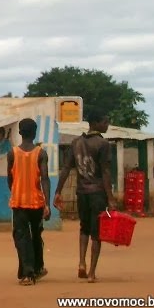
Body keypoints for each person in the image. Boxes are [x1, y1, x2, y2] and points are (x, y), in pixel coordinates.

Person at [53, 108, 116, 283]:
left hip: (81, 193)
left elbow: (66, 168)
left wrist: (58, 191)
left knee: (84, 228)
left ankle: (81, 263)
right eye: (105, 122)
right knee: (97, 233)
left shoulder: (76, 143)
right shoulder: (103, 144)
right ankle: (92, 273)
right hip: (97, 193)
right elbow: (105, 172)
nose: (107, 125)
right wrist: (111, 198)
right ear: (95, 123)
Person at [7, 118, 51, 286]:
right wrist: (47, 204)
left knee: (22, 237)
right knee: (36, 236)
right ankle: (37, 268)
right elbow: (45, 179)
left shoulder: (12, 153)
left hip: (18, 202)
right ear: (34, 133)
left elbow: (10, 179)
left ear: (20, 132)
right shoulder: (41, 153)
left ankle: (27, 273)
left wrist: (16, 192)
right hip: (37, 203)